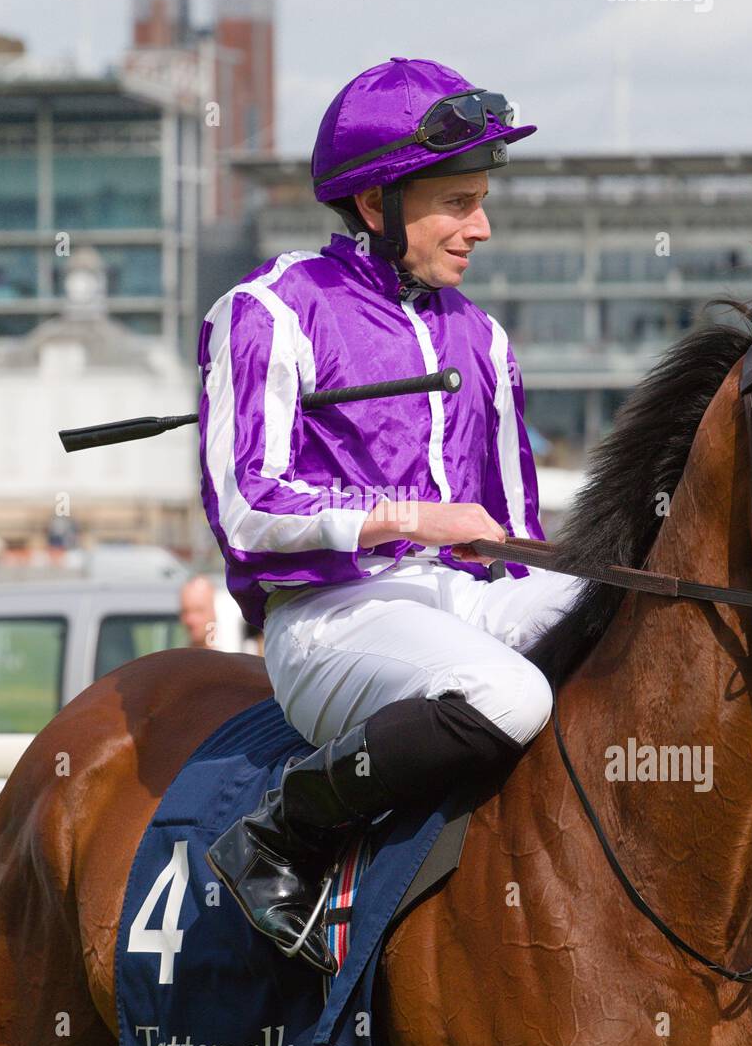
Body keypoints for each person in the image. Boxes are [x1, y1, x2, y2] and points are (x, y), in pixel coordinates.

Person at [198, 56, 585, 975]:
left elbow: (513, 533)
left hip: (459, 607)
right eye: (456, 202)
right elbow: (247, 505)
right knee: (512, 694)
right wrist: (410, 517)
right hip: (331, 619)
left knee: (615, 613)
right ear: (377, 206)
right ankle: (280, 833)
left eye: (482, 200)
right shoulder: (268, 311)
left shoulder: (483, 339)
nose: (480, 228)